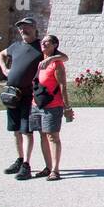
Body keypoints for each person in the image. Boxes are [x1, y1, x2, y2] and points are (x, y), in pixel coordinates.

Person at [0, 16, 66, 180]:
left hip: (29, 96)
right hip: (12, 95)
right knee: (16, 131)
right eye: (21, 27)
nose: (23, 30)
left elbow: (64, 57)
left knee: (27, 131)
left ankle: (26, 165)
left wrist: (51, 57)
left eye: (26, 27)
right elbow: (1, 54)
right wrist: (4, 69)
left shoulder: (40, 46)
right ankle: (20, 159)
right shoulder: (15, 46)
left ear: (34, 28)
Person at [28, 34, 73, 181]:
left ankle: (55, 169)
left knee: (53, 136)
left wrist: (67, 107)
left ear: (55, 45)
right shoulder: (40, 61)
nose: (43, 44)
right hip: (37, 105)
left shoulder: (57, 64)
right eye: (43, 42)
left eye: (47, 42)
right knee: (42, 135)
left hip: (53, 106)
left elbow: (63, 86)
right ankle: (47, 167)